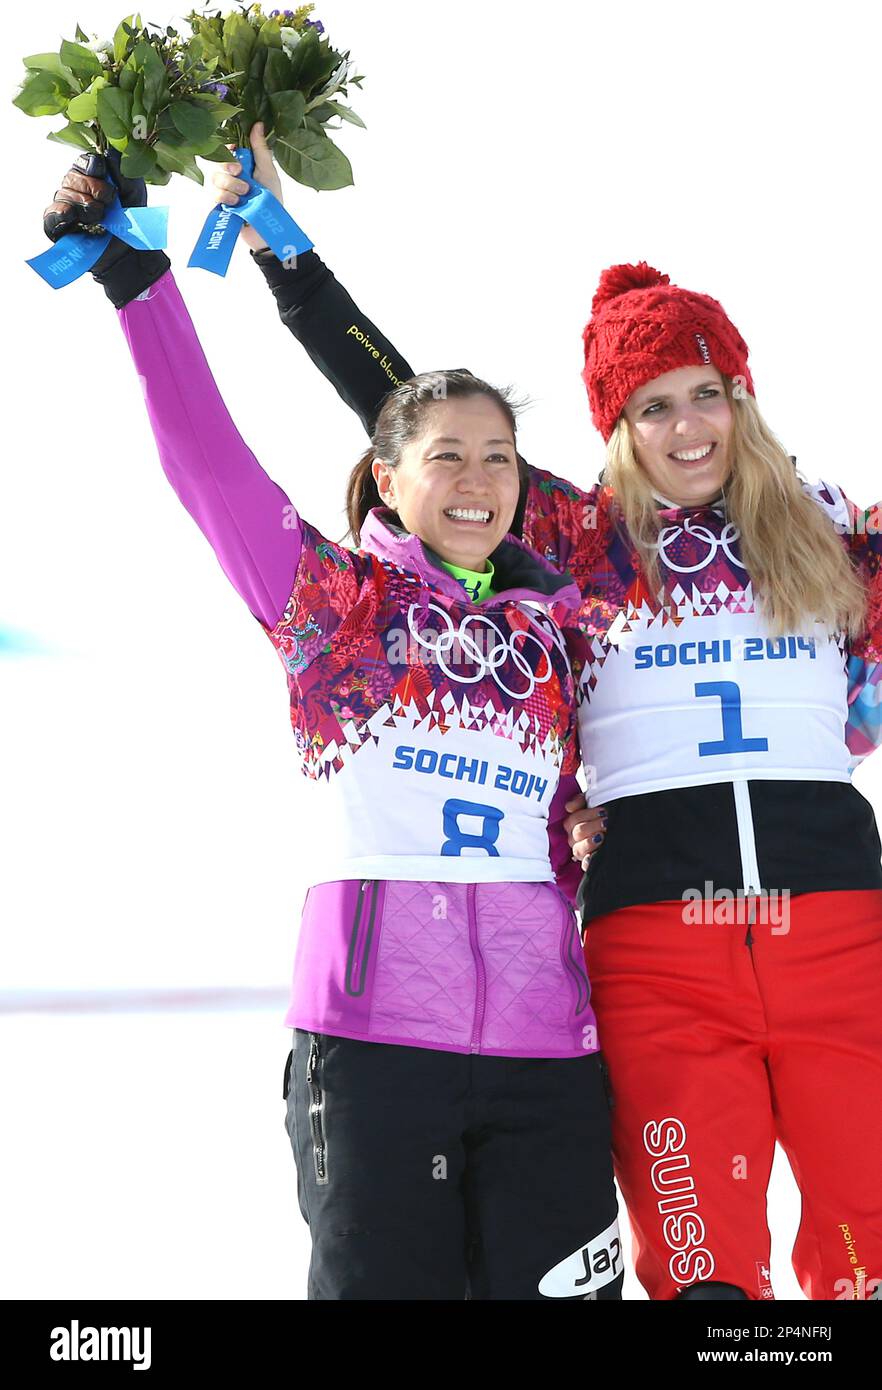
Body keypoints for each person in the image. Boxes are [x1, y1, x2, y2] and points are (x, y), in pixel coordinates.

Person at [222, 137, 882, 1301]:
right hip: (660, 948)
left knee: (866, 1257)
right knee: (702, 1280)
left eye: (706, 396)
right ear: (613, 428)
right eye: (651, 407)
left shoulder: (839, 541)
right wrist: (288, 255)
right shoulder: (582, 543)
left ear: (743, 397)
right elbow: (402, 404)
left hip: (841, 933)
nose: (687, 430)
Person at [40, 151, 623, 1302]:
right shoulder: (336, 610)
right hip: (372, 1049)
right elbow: (211, 466)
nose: (477, 477)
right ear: (389, 478)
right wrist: (138, 284)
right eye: (444, 454)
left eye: (499, 456)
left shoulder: (558, 629)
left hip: (550, 1054)